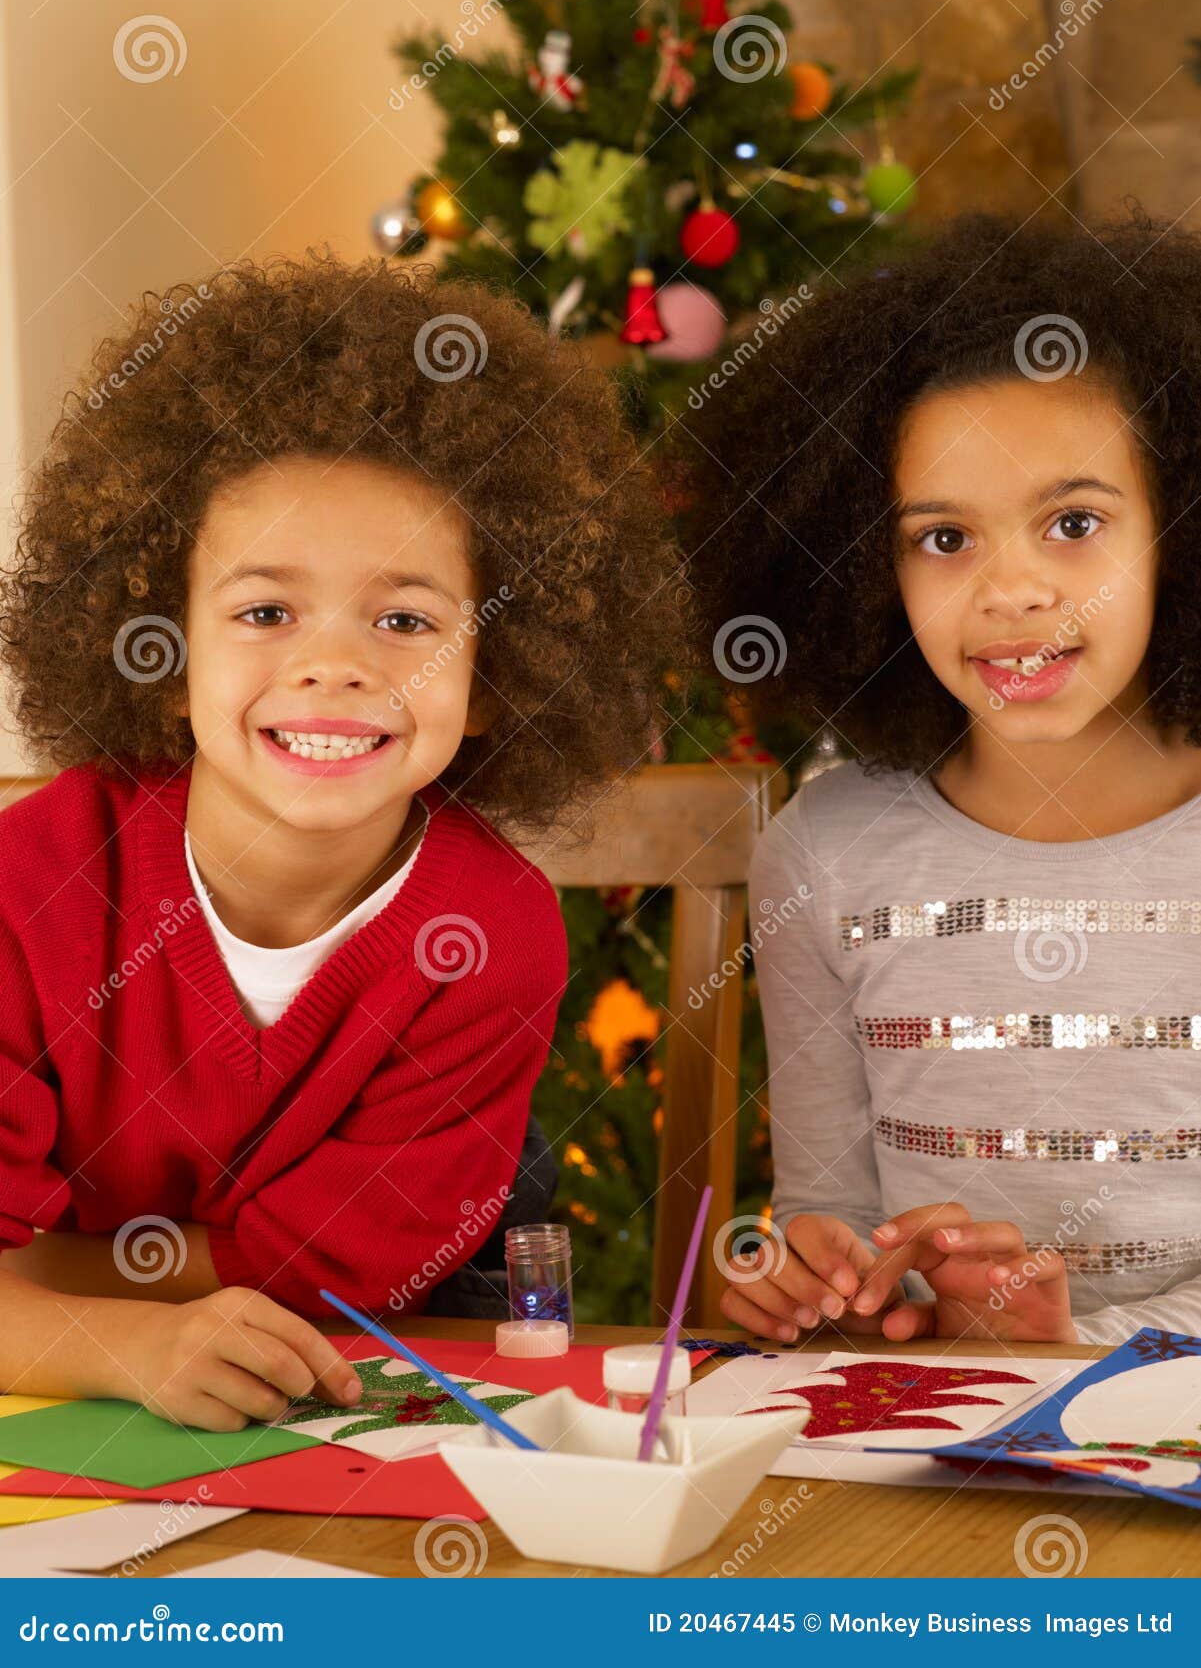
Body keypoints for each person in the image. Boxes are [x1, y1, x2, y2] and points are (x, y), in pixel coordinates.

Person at [0, 252, 684, 1426]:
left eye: (405, 618)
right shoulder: (27, 890)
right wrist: (122, 1341)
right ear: (162, 652)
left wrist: (41, 1275)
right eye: (266, 612)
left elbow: (342, 1267)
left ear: (493, 674)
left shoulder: (493, 932)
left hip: (373, 1370)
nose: (335, 665)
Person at [687, 209, 1201, 1347]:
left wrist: (1079, 1346)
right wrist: (826, 1280)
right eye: (943, 537)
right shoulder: (822, 857)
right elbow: (836, 1216)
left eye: (1072, 522)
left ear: (1177, 534)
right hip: (937, 1440)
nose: (1008, 589)